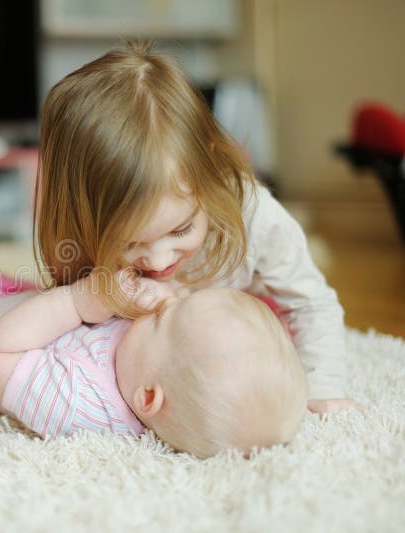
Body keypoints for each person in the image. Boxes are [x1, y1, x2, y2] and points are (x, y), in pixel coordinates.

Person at [34, 41, 357, 414]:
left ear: (209, 169)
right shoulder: (81, 235)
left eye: (181, 230)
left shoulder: (257, 218)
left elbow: (310, 305)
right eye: (129, 242)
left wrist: (321, 389)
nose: (158, 259)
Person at [0, 275, 308, 459]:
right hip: (16, 295)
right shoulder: (151, 362)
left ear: (148, 398)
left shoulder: (80, 404)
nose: (166, 298)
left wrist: (77, 302)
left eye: (164, 317)